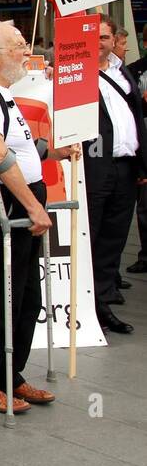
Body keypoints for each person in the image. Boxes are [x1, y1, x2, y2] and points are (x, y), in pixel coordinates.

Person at [0, 18, 78, 413]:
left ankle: (8, 374)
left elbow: (15, 148)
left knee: (24, 293)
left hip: (15, 199)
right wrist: (32, 204)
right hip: (1, 204)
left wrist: (51, 153)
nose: (28, 51)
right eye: (20, 44)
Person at [83, 19, 147, 334]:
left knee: (114, 238)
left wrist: (143, 164)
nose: (99, 42)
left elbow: (136, 117)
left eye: (105, 36)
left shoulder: (122, 72)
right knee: (90, 239)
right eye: (93, 36)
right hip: (95, 167)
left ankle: (104, 301)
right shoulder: (74, 73)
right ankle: (87, 306)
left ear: (113, 39)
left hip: (126, 167)